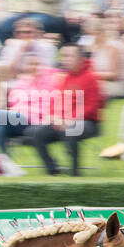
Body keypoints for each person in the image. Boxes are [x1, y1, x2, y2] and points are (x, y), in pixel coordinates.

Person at [29, 44, 103, 176]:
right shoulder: (65, 78)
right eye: (63, 56)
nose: (65, 59)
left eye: (69, 56)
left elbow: (92, 105)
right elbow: (56, 101)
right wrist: (53, 117)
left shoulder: (91, 78)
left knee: (70, 130)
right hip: (63, 121)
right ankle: (52, 169)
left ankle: (74, 172)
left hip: (88, 122)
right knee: (37, 133)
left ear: (80, 58)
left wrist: (70, 119)